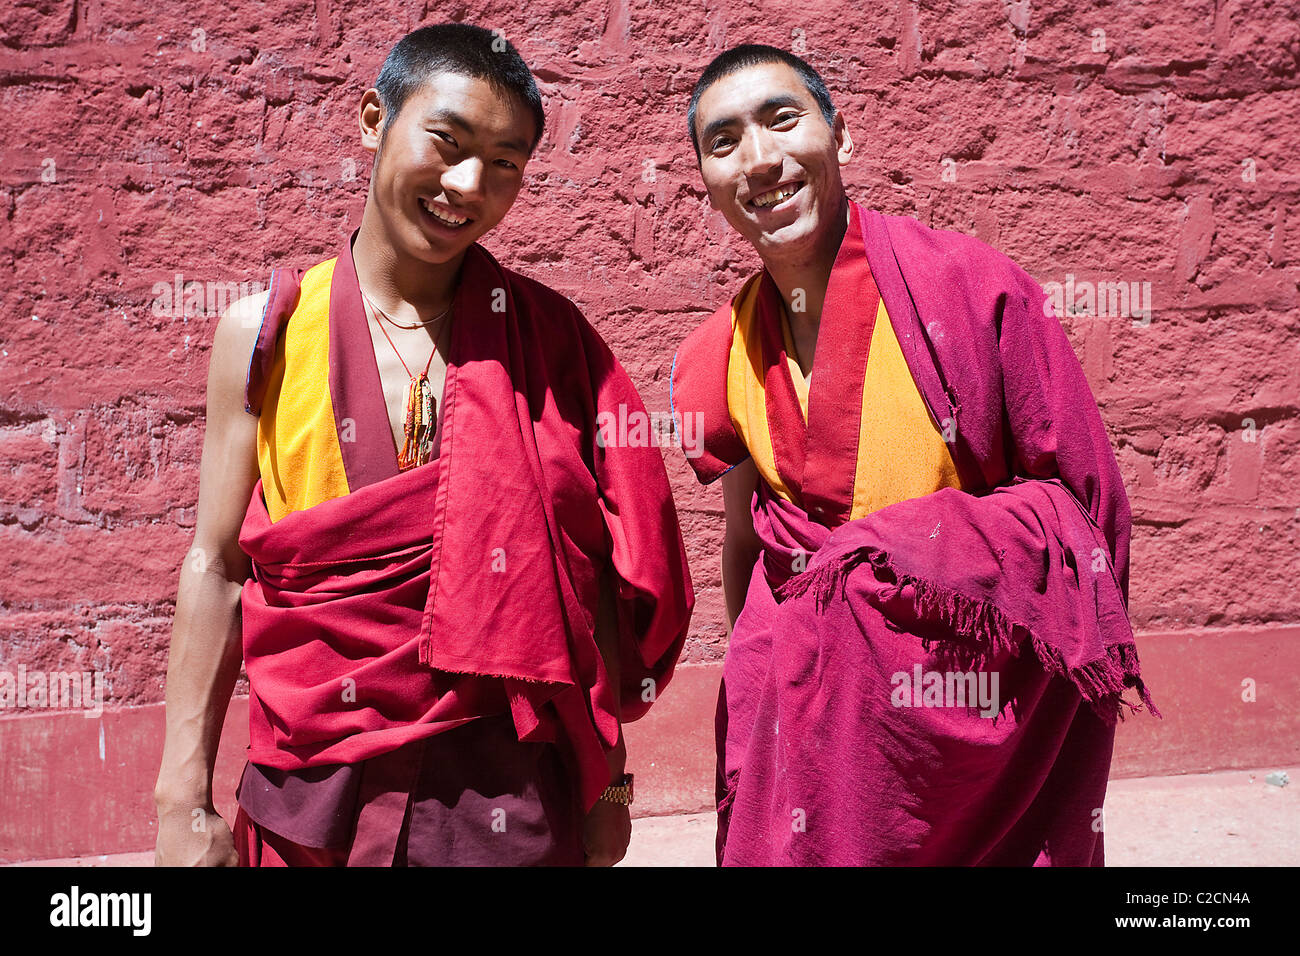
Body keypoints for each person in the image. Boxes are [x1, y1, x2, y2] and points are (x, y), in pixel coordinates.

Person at [153, 23, 693, 867]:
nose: (468, 184)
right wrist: (179, 801)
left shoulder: (551, 345)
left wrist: (612, 785)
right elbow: (216, 566)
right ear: (375, 119)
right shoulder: (263, 332)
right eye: (447, 140)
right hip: (311, 795)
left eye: (506, 163)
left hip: (509, 803)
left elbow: (599, 580)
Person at [670, 44, 1157, 866]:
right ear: (708, 182)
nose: (759, 160)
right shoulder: (714, 353)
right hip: (803, 686)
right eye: (723, 142)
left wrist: (905, 561)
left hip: (960, 704)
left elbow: (1086, 511)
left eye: (783, 120)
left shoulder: (969, 289)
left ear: (842, 137)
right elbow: (749, 541)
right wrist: (761, 678)